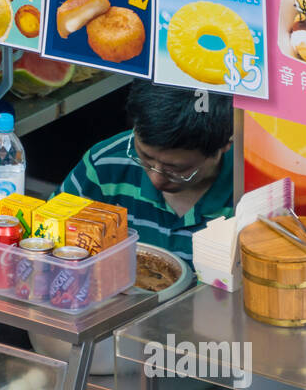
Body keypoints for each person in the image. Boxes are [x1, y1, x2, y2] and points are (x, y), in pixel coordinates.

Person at [61, 81, 233, 260]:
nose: (156, 179)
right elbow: (54, 237)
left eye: (176, 169)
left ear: (224, 145)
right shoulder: (104, 164)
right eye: (144, 157)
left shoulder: (250, 191)